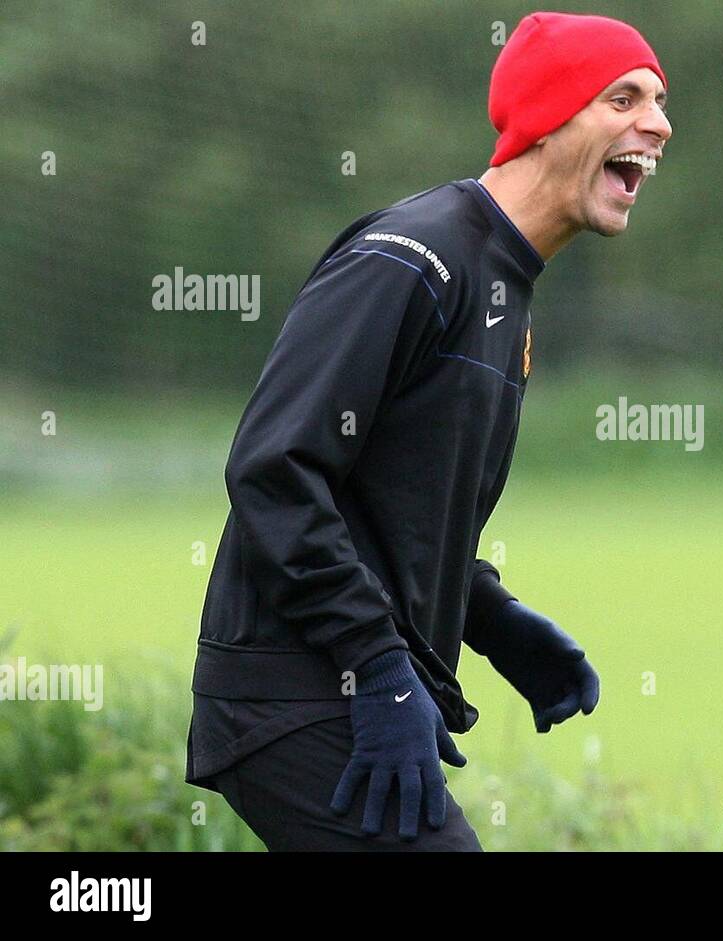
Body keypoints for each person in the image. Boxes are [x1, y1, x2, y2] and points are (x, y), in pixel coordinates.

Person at [183, 10, 672, 851]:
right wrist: (376, 664)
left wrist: (489, 615)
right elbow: (275, 467)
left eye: (660, 102)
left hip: (341, 684)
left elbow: (391, 504)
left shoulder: (505, 290)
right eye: (623, 98)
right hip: (292, 694)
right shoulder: (413, 257)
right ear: (548, 120)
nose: (657, 124)